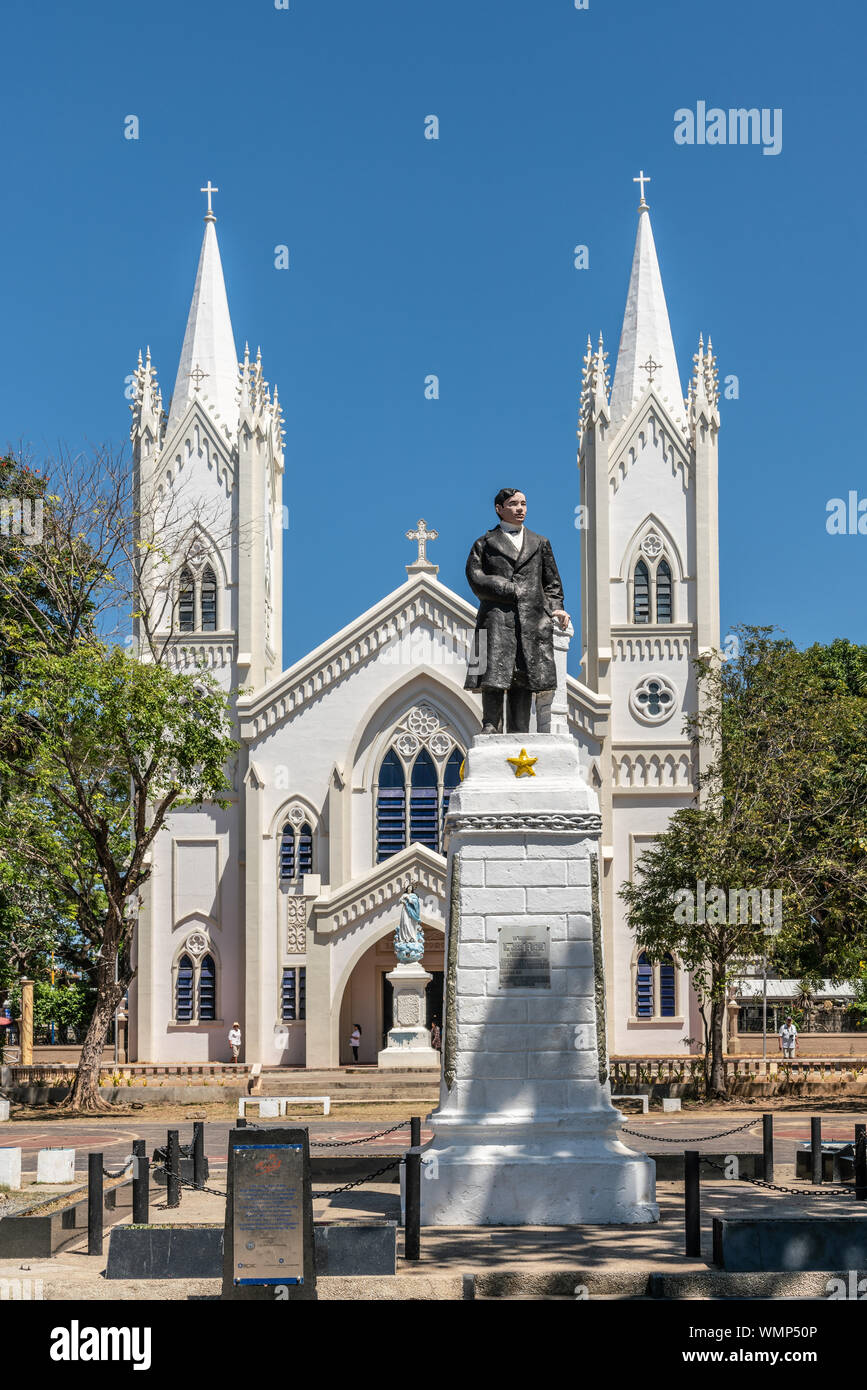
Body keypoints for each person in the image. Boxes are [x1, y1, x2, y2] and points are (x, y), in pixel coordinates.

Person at [464, 488, 570, 733]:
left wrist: (557, 609)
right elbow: (475, 577)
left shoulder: (540, 542)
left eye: (523, 503)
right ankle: (490, 724)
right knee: (492, 673)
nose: (520, 508)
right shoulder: (484, 543)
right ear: (499, 509)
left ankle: (519, 728)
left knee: (522, 674)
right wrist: (507, 588)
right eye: (513, 504)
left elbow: (552, 582)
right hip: (495, 618)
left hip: (530, 619)